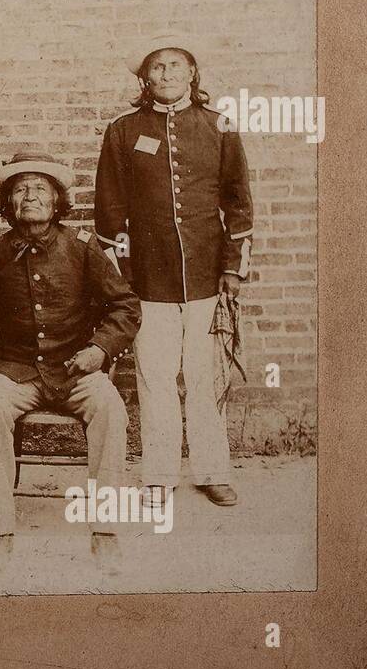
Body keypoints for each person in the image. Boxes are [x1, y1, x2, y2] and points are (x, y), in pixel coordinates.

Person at [0, 151, 140, 567]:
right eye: (20, 189)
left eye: (40, 188)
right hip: (16, 370)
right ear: (8, 204)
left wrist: (99, 350)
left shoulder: (83, 249)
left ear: (58, 201)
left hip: (78, 367)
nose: (30, 196)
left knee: (111, 409)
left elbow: (126, 307)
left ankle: (106, 528)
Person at [95, 39, 254, 507]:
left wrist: (233, 269)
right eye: (156, 68)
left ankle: (211, 470)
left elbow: (239, 202)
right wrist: (119, 276)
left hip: (207, 274)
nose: (166, 74)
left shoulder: (219, 126)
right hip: (148, 277)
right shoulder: (123, 131)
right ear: (145, 79)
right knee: (156, 376)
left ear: (192, 73)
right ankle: (159, 474)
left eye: (175, 66)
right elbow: (109, 209)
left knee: (205, 376)